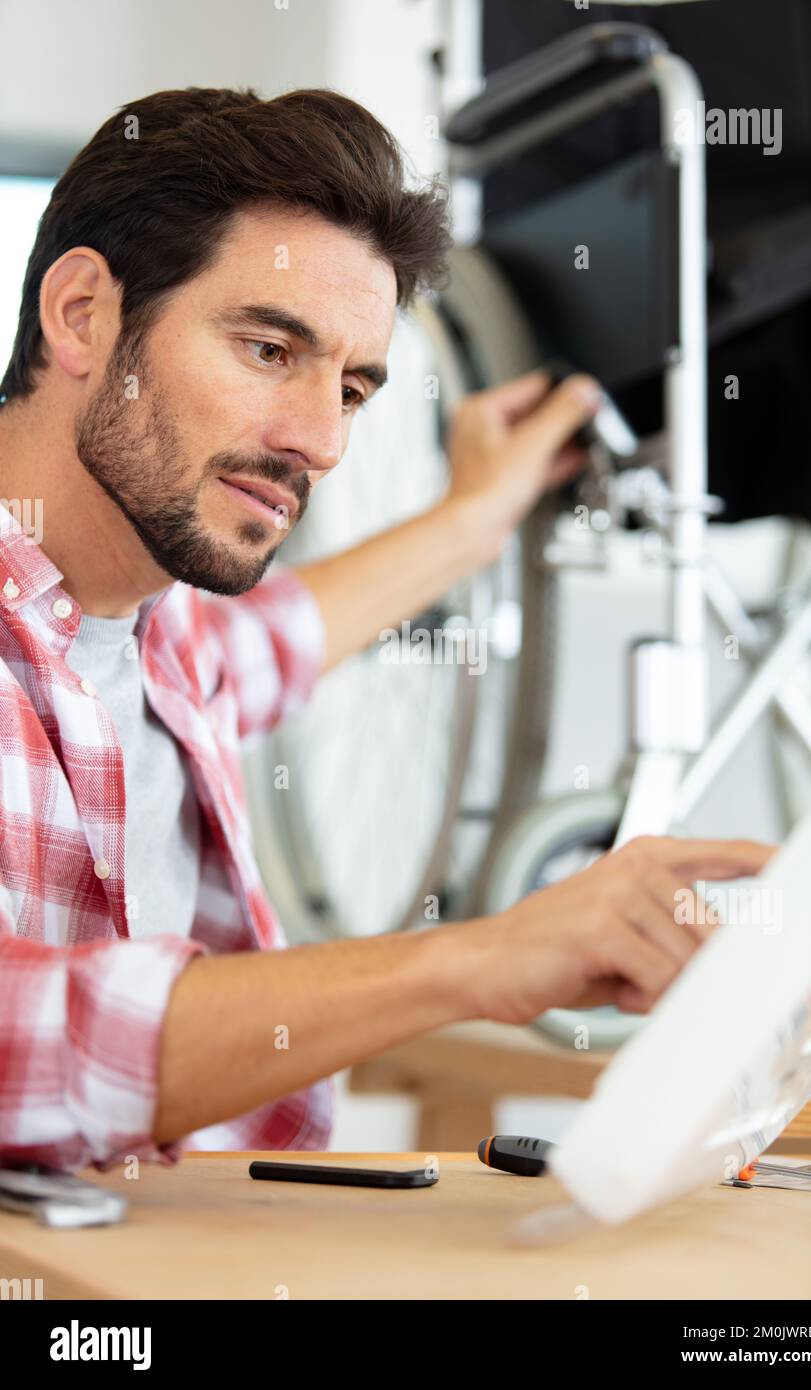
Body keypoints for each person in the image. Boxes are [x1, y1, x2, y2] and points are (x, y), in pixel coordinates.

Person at [0, 87, 771, 1171]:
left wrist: (470, 519)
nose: (319, 439)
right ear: (83, 314)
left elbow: (284, 638)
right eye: (269, 349)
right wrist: (479, 959)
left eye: (353, 387)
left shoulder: (150, 638)